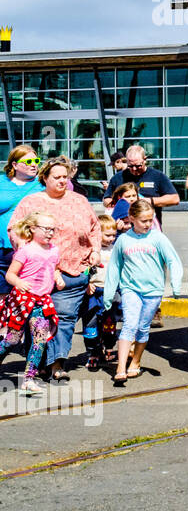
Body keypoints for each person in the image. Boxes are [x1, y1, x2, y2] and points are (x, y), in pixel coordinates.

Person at [9, 157, 101, 380]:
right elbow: (14, 229)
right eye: (57, 177)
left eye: (65, 177)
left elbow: (94, 227)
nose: (62, 181)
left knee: (65, 319)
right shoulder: (31, 202)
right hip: (38, 275)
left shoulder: (79, 201)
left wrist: (96, 250)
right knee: (37, 322)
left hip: (73, 271)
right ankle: (38, 363)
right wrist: (24, 247)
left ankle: (57, 365)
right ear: (45, 178)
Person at [103, 200, 184, 386]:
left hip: (153, 291)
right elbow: (114, 268)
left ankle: (136, 360)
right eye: (143, 220)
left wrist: (176, 284)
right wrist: (108, 294)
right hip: (130, 289)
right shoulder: (123, 240)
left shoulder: (158, 238)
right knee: (129, 325)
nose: (148, 224)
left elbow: (173, 260)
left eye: (150, 220)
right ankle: (120, 368)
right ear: (132, 218)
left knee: (142, 327)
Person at [1, 213, 65, 396]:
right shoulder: (26, 250)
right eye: (46, 229)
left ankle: (28, 379)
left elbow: (54, 269)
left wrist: (57, 277)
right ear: (32, 229)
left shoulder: (54, 250)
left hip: (42, 301)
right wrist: (19, 283)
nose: (50, 232)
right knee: (12, 339)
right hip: (22, 301)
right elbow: (10, 275)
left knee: (39, 340)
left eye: (53, 229)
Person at [0, 145, 44, 295]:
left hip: (27, 247)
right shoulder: (2, 182)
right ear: (15, 164)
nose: (34, 164)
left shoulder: (41, 185)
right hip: (1, 247)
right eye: (28, 161)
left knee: (24, 292)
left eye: (36, 160)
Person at [81, 214, 119, 373]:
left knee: (109, 322)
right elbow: (83, 269)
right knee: (90, 324)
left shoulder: (116, 249)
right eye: (107, 235)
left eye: (113, 235)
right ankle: (93, 353)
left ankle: (109, 346)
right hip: (94, 291)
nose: (111, 238)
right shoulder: (90, 251)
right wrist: (87, 283)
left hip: (111, 291)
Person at [105, 146, 179, 225]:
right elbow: (106, 199)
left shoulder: (157, 176)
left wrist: (147, 201)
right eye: (130, 166)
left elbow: (174, 199)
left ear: (145, 160)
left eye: (138, 166)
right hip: (124, 228)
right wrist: (123, 203)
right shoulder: (118, 178)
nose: (134, 169)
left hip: (149, 227)